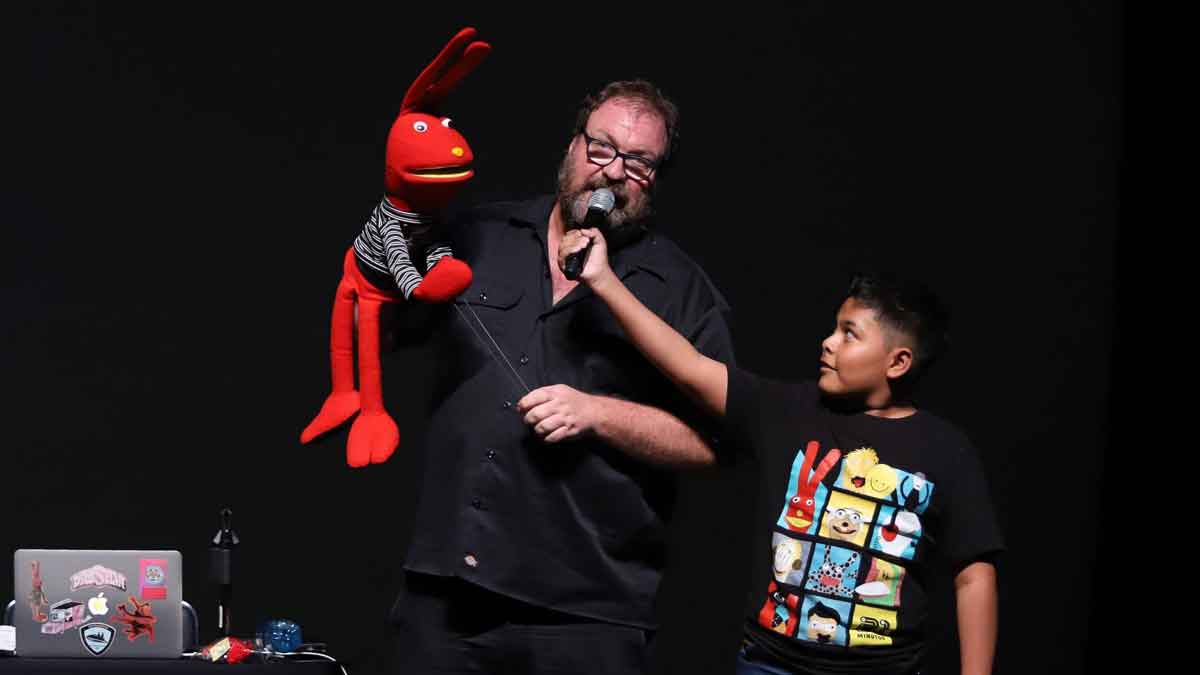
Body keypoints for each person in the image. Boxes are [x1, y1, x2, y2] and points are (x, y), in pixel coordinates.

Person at [389, 79, 736, 674]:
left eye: (638, 162)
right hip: (445, 597)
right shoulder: (479, 236)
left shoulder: (680, 291)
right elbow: (396, 327)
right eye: (600, 148)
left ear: (656, 178)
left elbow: (717, 444)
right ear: (572, 147)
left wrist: (599, 414)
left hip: (586, 615)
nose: (612, 172)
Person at [557, 226, 1004, 675]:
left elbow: (973, 574)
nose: (828, 341)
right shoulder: (786, 410)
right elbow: (690, 367)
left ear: (898, 362)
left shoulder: (947, 450)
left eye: (850, 334)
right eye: (834, 328)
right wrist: (603, 280)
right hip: (768, 666)